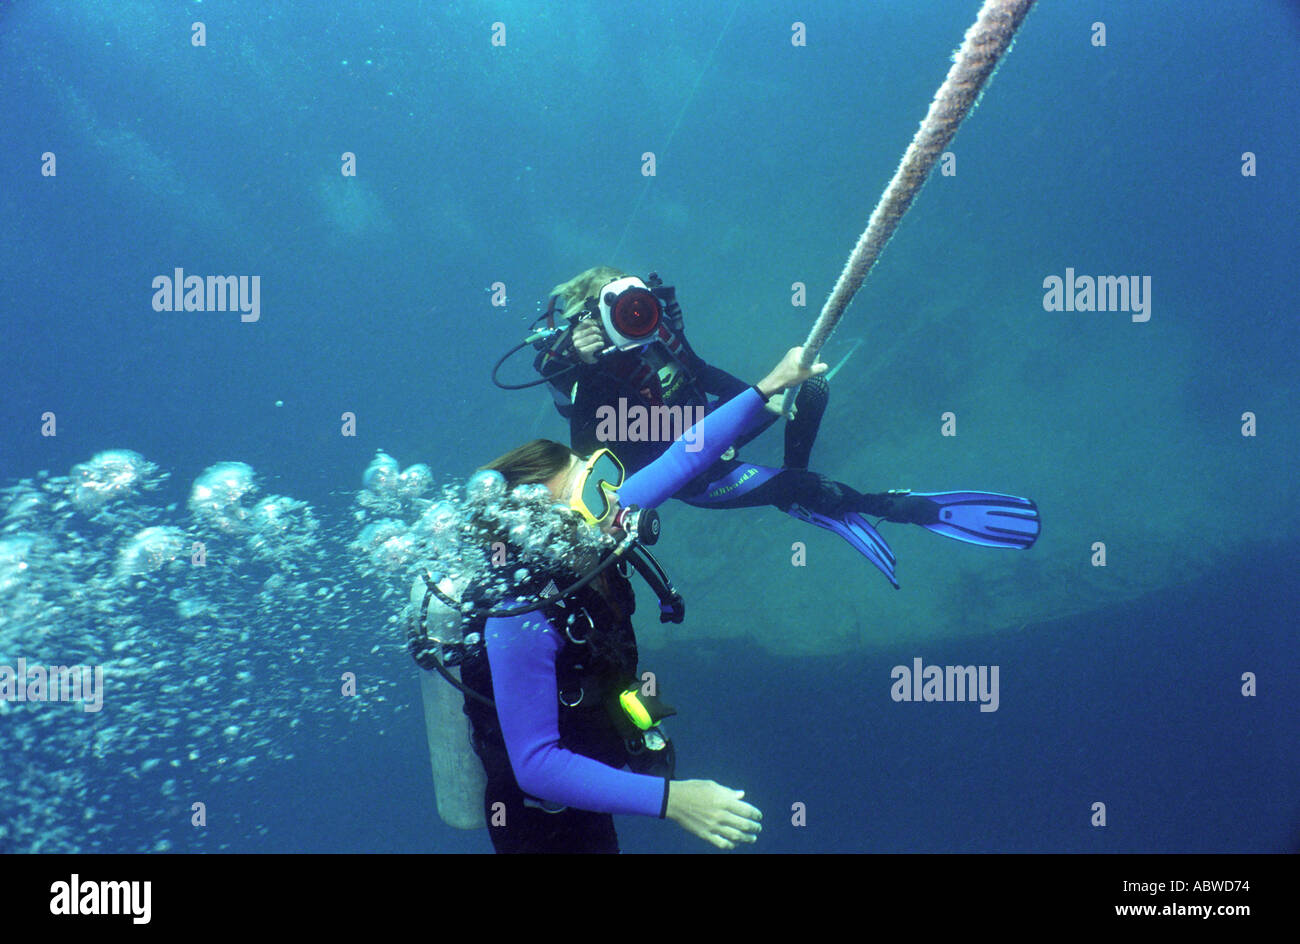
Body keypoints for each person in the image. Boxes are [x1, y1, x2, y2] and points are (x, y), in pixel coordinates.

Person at [456, 345, 822, 853]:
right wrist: (674, 800)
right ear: (548, 527)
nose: (616, 498)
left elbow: (686, 453)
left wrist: (768, 385)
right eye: (591, 490)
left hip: (592, 774)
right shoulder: (519, 617)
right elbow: (537, 765)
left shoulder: (597, 525)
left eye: (603, 474)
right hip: (539, 822)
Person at [529, 266, 1041, 587]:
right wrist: (586, 367)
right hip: (685, 474)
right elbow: (598, 462)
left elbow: (701, 373)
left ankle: (797, 480)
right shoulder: (591, 382)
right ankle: (887, 505)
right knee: (801, 485)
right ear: (590, 323)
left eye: (635, 305)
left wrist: (760, 403)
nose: (633, 319)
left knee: (811, 396)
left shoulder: (658, 332)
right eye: (615, 314)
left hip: (708, 430)